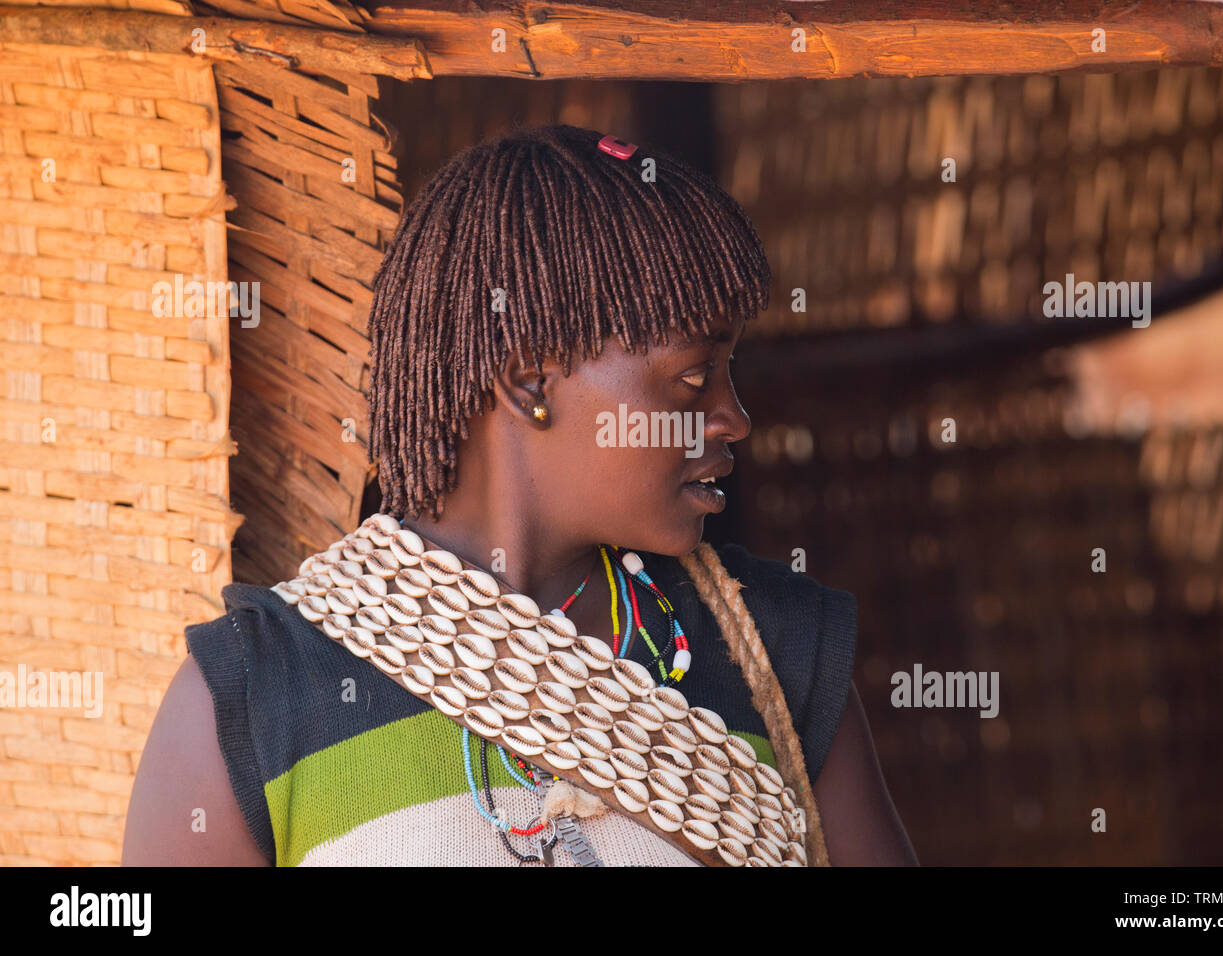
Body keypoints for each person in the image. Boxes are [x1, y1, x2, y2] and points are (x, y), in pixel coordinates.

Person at [122, 124, 916, 866]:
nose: (734, 418)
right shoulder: (255, 696)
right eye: (693, 378)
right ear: (529, 380)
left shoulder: (777, 652)